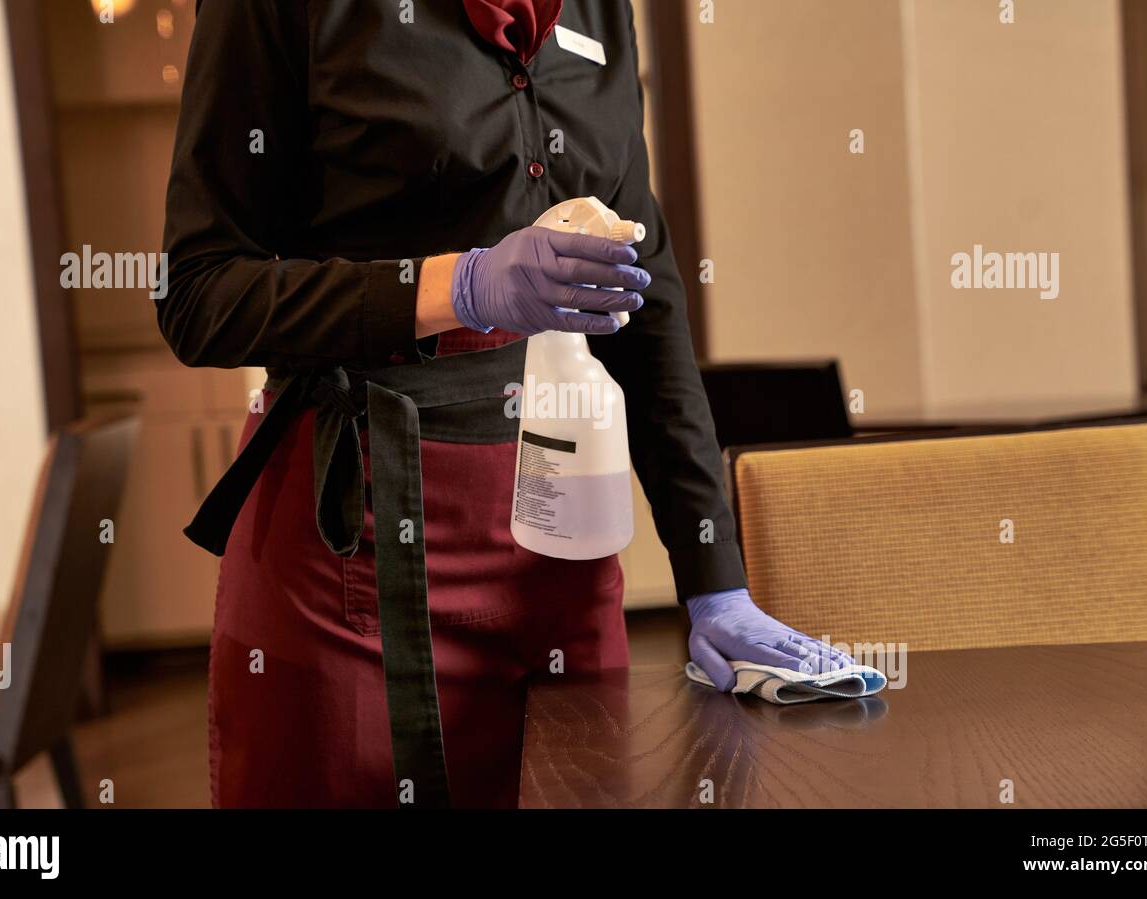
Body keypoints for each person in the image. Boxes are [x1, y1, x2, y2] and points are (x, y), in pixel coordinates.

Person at [159, 0, 853, 809]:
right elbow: (197, 294)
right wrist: (455, 287)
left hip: (560, 537)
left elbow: (645, 295)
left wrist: (713, 578)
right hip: (350, 532)